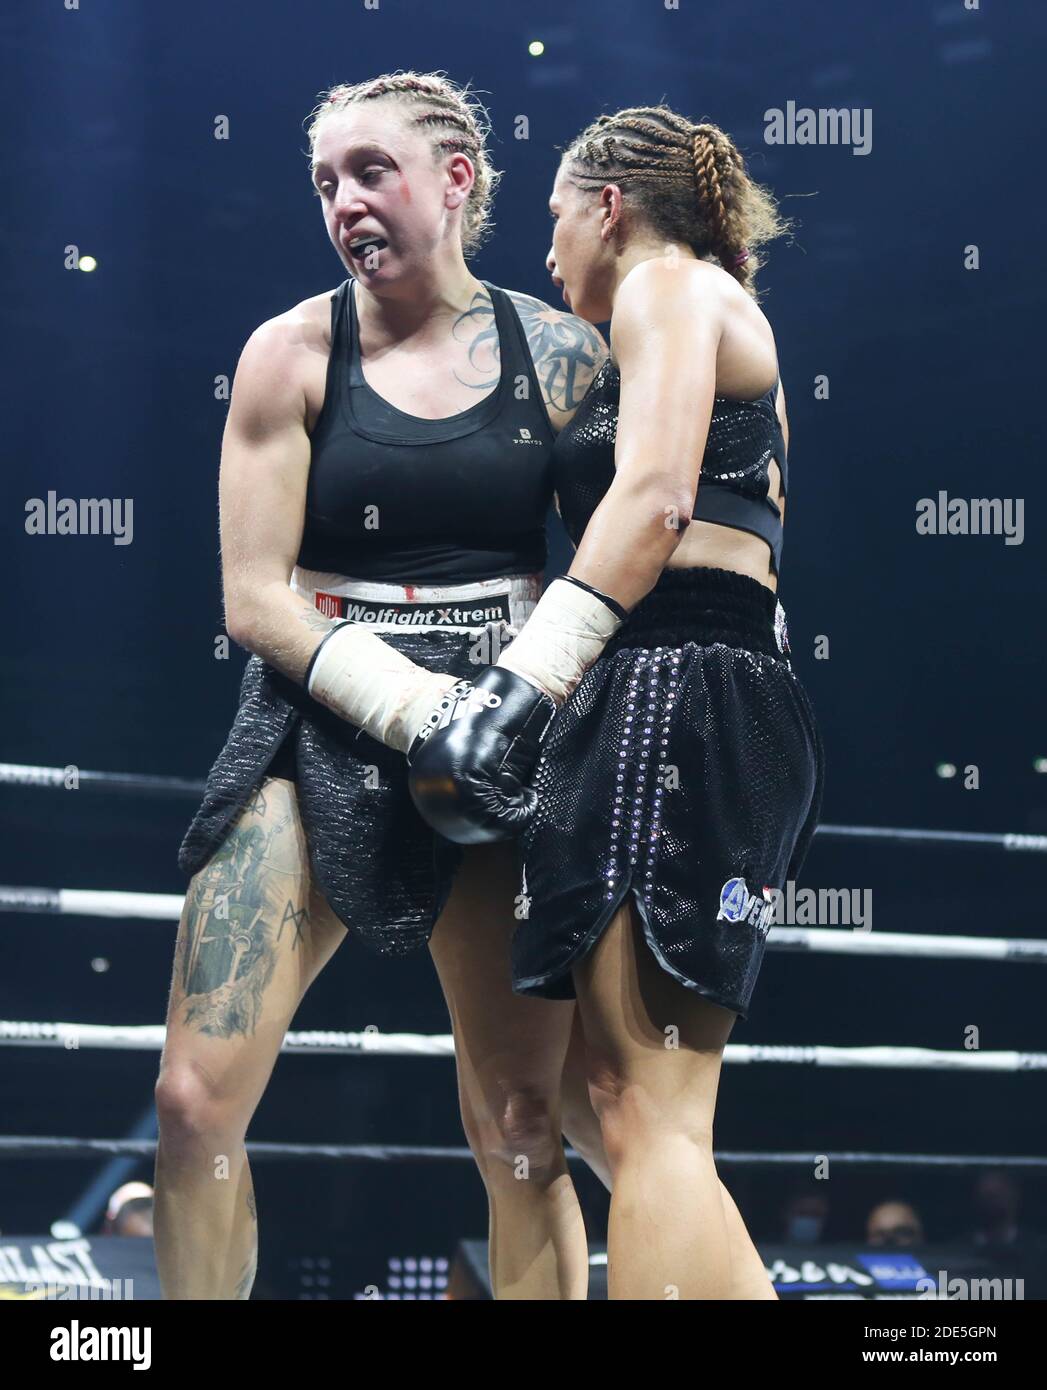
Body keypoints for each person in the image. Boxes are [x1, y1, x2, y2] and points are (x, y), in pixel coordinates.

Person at [153, 70, 610, 1300]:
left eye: (371, 171)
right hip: (320, 722)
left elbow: (620, 565)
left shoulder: (559, 356)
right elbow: (254, 597)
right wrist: (420, 711)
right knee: (193, 1102)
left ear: (456, 177)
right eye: (324, 183)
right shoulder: (289, 353)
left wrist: (506, 710)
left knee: (519, 1124)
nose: (344, 201)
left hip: (512, 729)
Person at [409, 105, 825, 1299]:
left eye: (551, 217)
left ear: (608, 206)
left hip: (675, 687)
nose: (543, 252)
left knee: (649, 1112)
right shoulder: (703, 313)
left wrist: (520, 683)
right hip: (702, 690)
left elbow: (653, 502)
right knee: (627, 1105)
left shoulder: (667, 289)